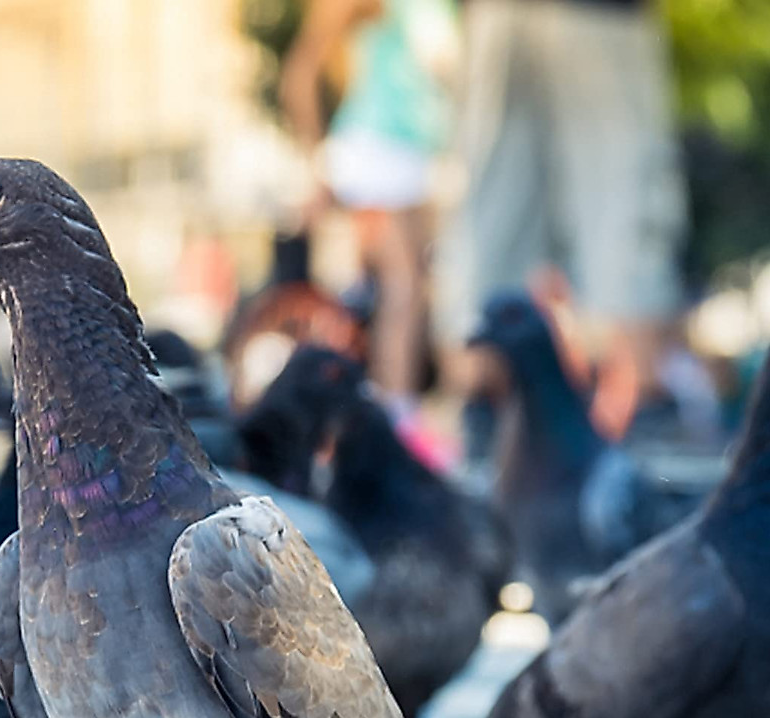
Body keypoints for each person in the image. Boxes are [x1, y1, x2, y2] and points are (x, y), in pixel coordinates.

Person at [435, 0, 692, 439]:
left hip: (495, 15)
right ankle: (637, 400)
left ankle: (485, 402)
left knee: (496, 198)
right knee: (621, 188)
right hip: (599, 14)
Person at [280, 0, 458, 407]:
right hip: (376, 155)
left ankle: (397, 406)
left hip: (420, 157)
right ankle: (392, 411)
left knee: (418, 291)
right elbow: (301, 72)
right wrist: (316, 161)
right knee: (403, 288)